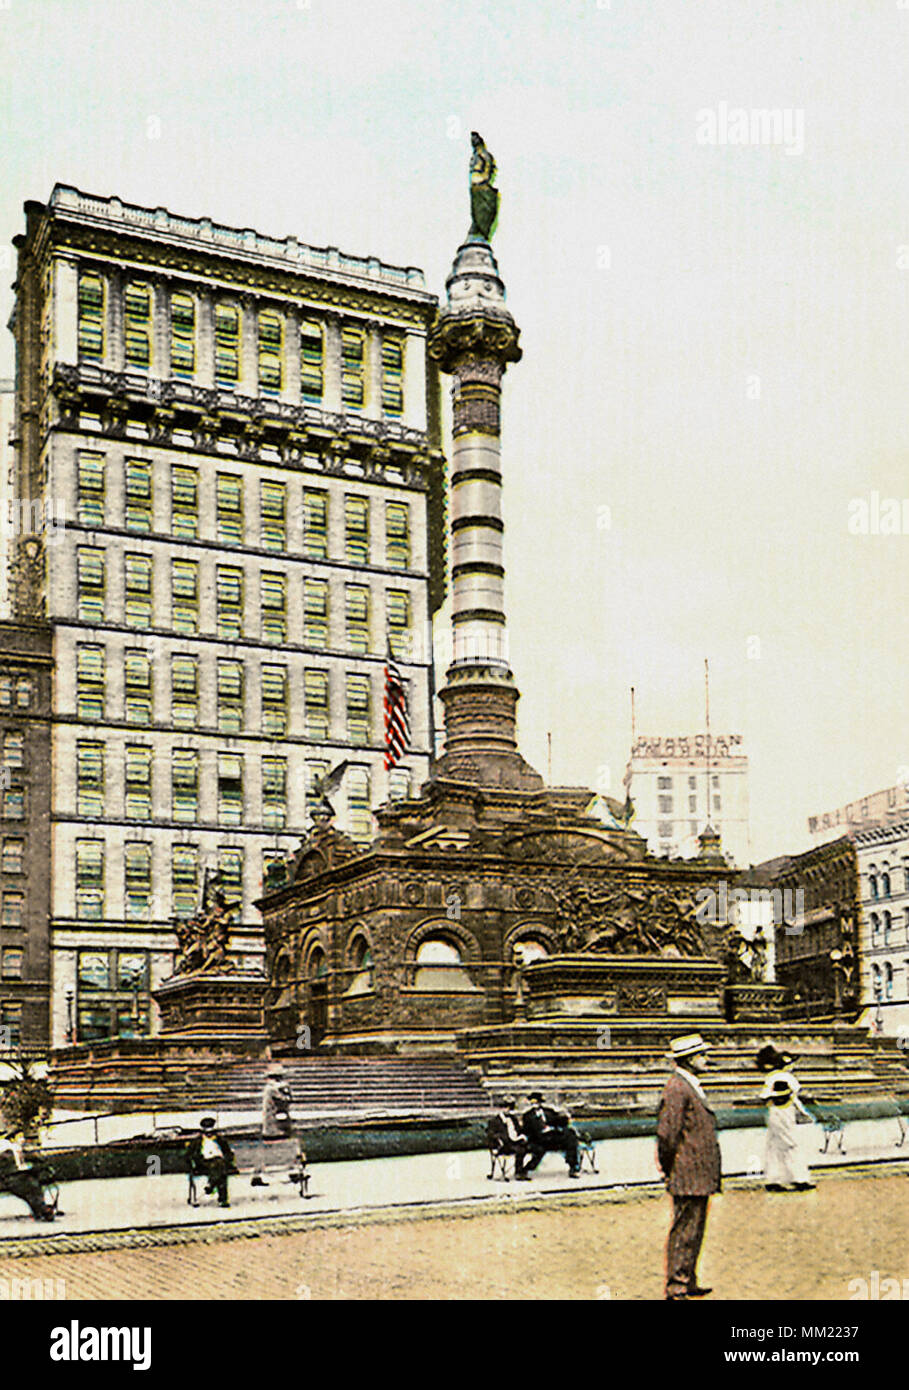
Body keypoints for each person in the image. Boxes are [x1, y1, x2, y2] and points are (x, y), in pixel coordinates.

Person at [656, 1034, 722, 1300]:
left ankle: (688, 1279)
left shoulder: (688, 1085)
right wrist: (670, 1166)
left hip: (697, 1172)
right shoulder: (677, 1087)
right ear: (691, 1059)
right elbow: (667, 1134)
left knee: (694, 1229)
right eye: (703, 1055)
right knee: (685, 1230)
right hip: (687, 1171)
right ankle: (677, 1286)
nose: (706, 1059)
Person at [755, 1045, 815, 1192]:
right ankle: (799, 1178)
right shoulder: (788, 1078)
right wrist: (805, 1113)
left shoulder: (770, 1077)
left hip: (773, 1112)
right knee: (791, 1145)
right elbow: (795, 1099)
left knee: (774, 1145)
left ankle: (773, 1179)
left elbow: (763, 1096)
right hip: (786, 1113)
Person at [0, 1128, 57, 1221]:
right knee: (30, 1187)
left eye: (22, 1137)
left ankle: (41, 1210)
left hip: (17, 1177)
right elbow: (8, 1170)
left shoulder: (16, 1148)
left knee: (33, 1185)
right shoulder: (5, 1149)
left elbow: (29, 1159)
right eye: (19, 1137)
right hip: (10, 1179)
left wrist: (39, 1163)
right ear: (13, 1138)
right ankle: (42, 1210)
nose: (22, 1139)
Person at [252, 1064, 294, 1187]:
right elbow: (286, 1099)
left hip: (274, 1124)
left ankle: (258, 1174)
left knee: (270, 1149)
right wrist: (286, 1089)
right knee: (280, 1147)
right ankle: (259, 1174)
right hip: (274, 1125)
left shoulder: (271, 1088)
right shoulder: (271, 1089)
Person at [521, 1092, 581, 1177]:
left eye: (537, 1102)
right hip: (540, 1139)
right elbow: (527, 1130)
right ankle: (527, 1169)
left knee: (570, 1137)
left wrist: (565, 1118)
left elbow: (559, 1121)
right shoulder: (527, 1115)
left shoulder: (549, 1111)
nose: (535, 1104)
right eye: (533, 1102)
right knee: (539, 1149)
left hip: (553, 1137)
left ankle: (573, 1167)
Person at [187, 1116, 235, 1208]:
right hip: (205, 1162)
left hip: (219, 1162)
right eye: (207, 1133)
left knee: (219, 1165)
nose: (209, 1135)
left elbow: (228, 1152)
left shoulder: (220, 1140)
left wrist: (228, 1159)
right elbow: (190, 1154)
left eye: (211, 1133)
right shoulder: (198, 1141)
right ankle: (222, 1198)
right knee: (220, 1168)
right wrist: (195, 1161)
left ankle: (211, 1184)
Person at [487, 1098, 532, 1179]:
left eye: (509, 1108)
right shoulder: (495, 1121)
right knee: (520, 1150)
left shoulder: (513, 1118)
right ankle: (519, 1172)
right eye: (505, 1107)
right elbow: (491, 1134)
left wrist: (522, 1135)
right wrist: (499, 1141)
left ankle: (520, 1171)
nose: (507, 1109)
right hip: (503, 1144)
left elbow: (519, 1129)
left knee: (527, 1147)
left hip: (515, 1141)